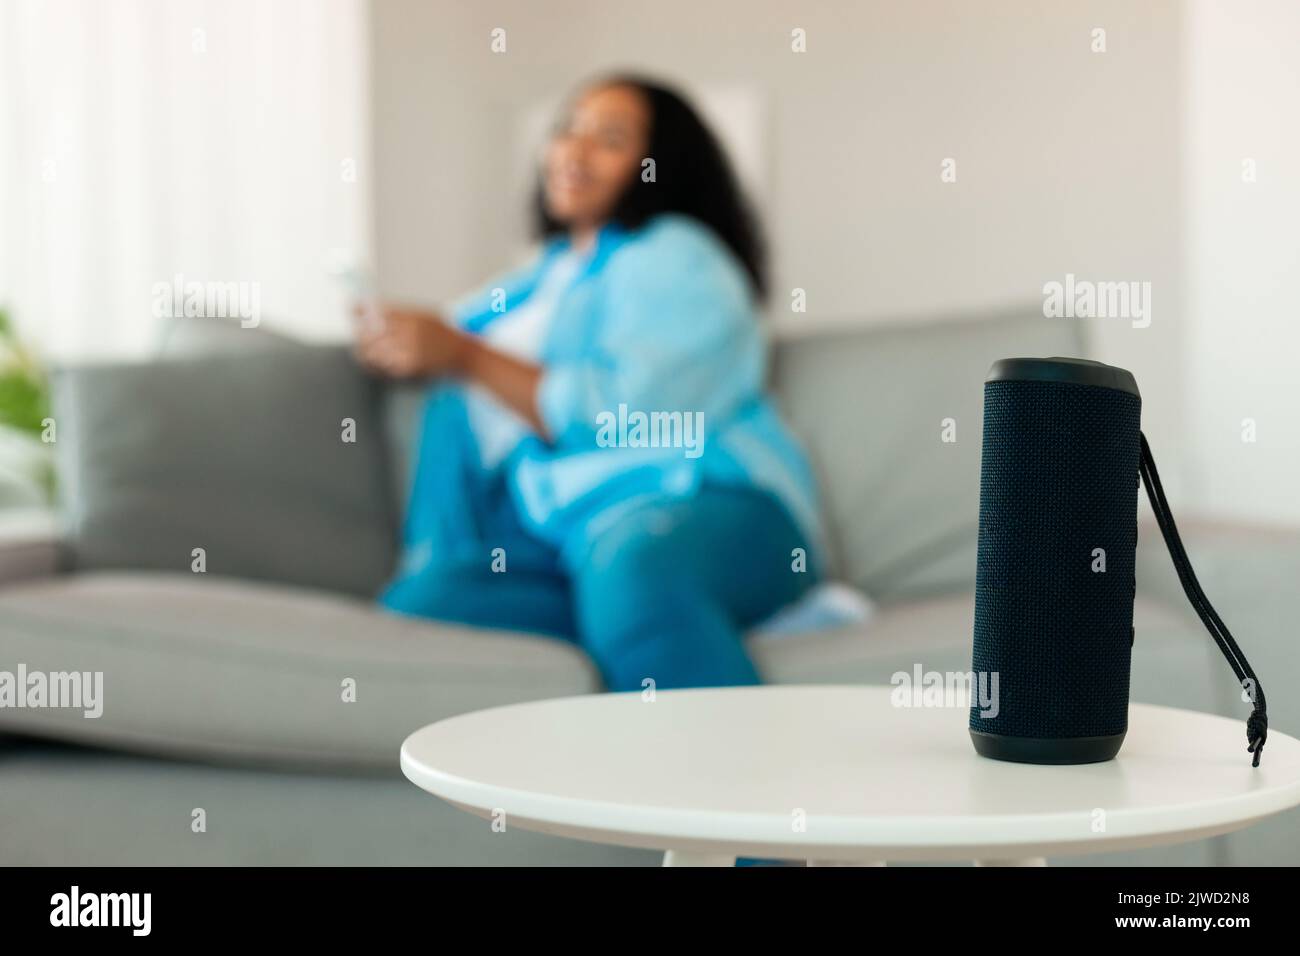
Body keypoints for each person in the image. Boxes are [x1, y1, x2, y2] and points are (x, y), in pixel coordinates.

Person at [356, 75, 824, 692]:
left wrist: (463, 356)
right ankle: (639, 627)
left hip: (702, 503)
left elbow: (627, 412)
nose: (575, 151)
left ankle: (727, 777)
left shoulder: (680, 256)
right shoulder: (537, 282)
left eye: (610, 138)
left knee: (633, 574)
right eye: (566, 129)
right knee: (426, 602)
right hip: (563, 535)